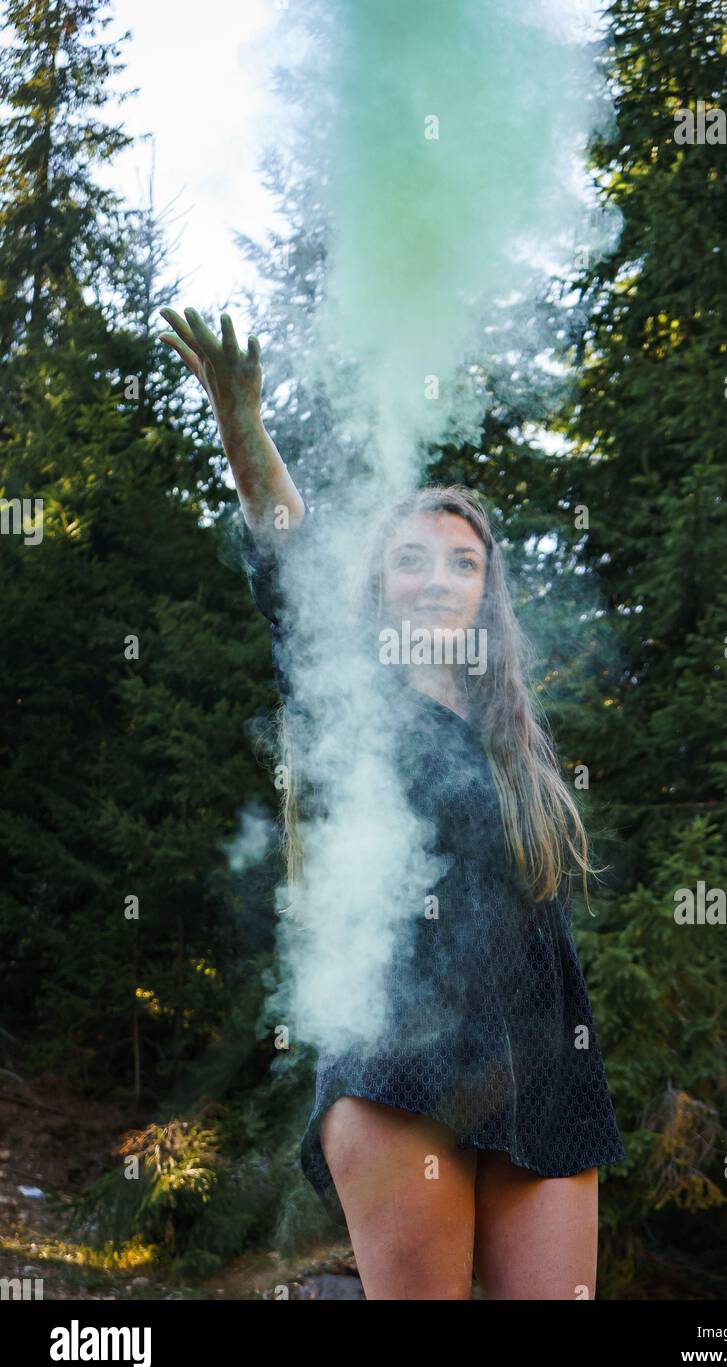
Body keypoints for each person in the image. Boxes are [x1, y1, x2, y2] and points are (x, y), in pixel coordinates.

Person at [158, 305, 626, 1301]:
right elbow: (288, 560)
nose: (437, 577)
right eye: (410, 556)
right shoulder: (354, 695)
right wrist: (243, 427)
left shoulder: (516, 744)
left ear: (485, 597)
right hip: (399, 1053)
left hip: (542, 1064)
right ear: (374, 582)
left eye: (463, 562)